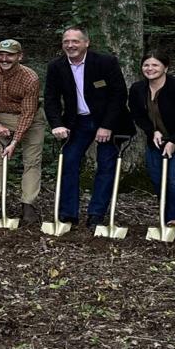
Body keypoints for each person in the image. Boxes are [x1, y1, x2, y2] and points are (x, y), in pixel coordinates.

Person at [43, 26, 127, 227]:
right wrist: (57, 124)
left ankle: (96, 214)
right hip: (76, 123)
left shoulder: (105, 62)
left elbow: (119, 94)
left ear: (86, 43)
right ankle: (68, 214)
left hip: (108, 122)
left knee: (106, 166)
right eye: (66, 42)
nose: (70, 45)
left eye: (75, 41)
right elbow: (51, 98)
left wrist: (107, 126)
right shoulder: (56, 66)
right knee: (69, 163)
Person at [127, 50, 175, 229]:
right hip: (156, 140)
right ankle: (166, 218)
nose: (150, 68)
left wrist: (174, 140)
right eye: (146, 65)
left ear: (166, 67)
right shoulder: (138, 89)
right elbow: (137, 115)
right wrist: (152, 131)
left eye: (155, 65)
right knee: (157, 178)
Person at [0, 38, 43, 222]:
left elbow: (28, 112)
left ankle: (28, 206)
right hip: (0, 117)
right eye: (0, 54)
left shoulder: (30, 78)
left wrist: (14, 142)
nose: (4, 58)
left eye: (9, 55)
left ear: (19, 56)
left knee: (32, 161)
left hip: (30, 118)